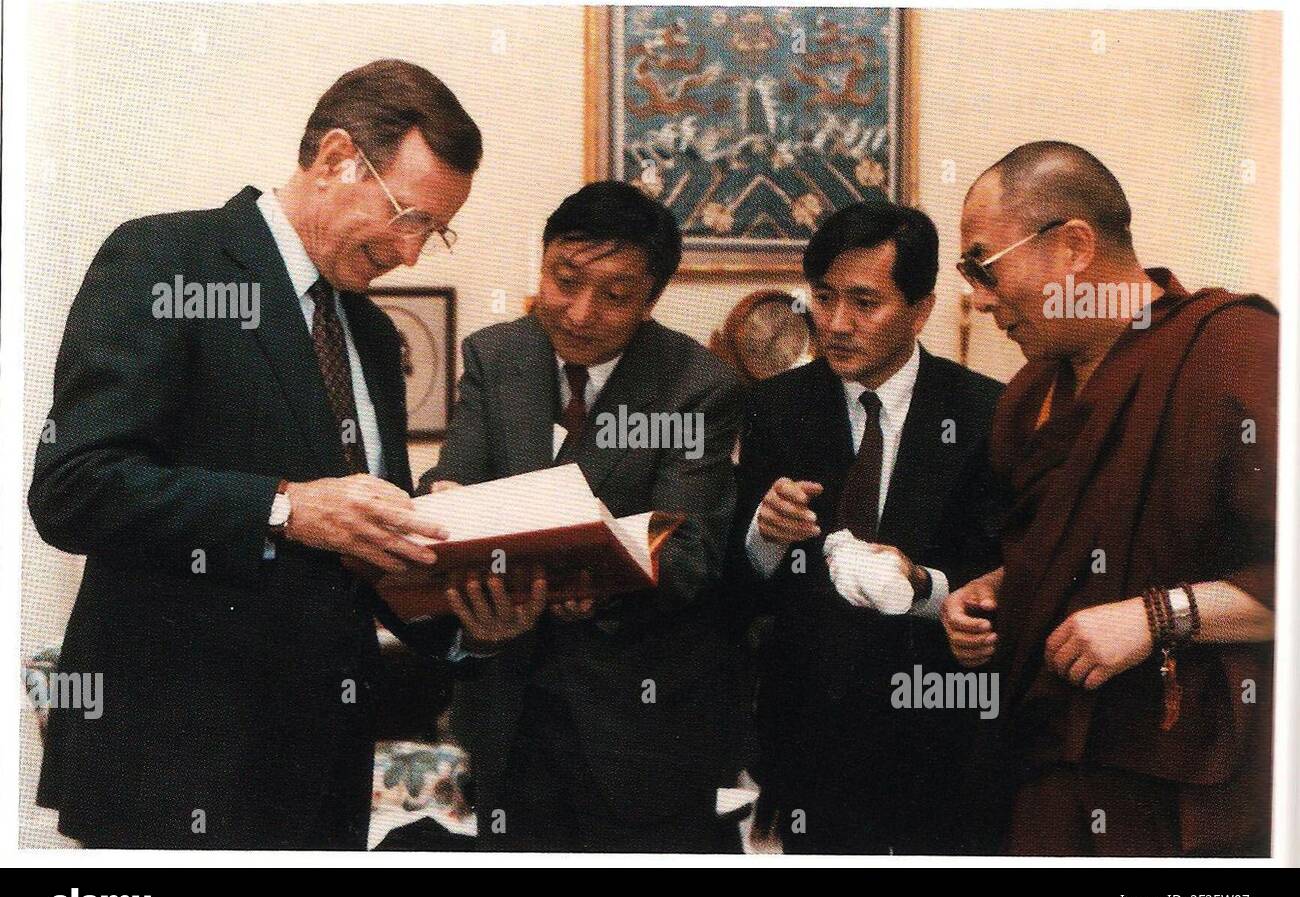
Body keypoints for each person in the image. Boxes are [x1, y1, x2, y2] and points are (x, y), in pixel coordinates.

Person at [28, 59, 481, 849]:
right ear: (338, 156)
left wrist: (467, 611)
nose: (412, 254)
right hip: (175, 765)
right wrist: (287, 506)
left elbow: (362, 546)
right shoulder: (166, 257)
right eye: (408, 217)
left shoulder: (371, 335)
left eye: (432, 231)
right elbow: (74, 487)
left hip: (321, 774)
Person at [946, 141, 1276, 855]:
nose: (979, 297)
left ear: (1073, 246)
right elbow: (1073, 549)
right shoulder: (1028, 398)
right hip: (1048, 776)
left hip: (1186, 786)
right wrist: (996, 591)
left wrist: (1160, 617)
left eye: (983, 266)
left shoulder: (1234, 351)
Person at [409, 181, 746, 852]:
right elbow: (453, 483)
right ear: (543, 264)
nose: (580, 314)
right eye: (564, 281)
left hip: (639, 724)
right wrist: (440, 502)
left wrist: (592, 577)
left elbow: (691, 553)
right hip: (509, 710)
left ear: (650, 301)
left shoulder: (696, 386)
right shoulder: (497, 355)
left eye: (615, 296)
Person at [731, 201, 1004, 854]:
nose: (837, 325)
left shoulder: (986, 413)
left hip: (942, 737)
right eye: (823, 299)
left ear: (921, 309)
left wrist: (922, 585)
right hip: (810, 740)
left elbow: (1001, 572)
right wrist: (765, 537)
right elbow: (737, 596)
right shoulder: (775, 408)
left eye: (865, 302)